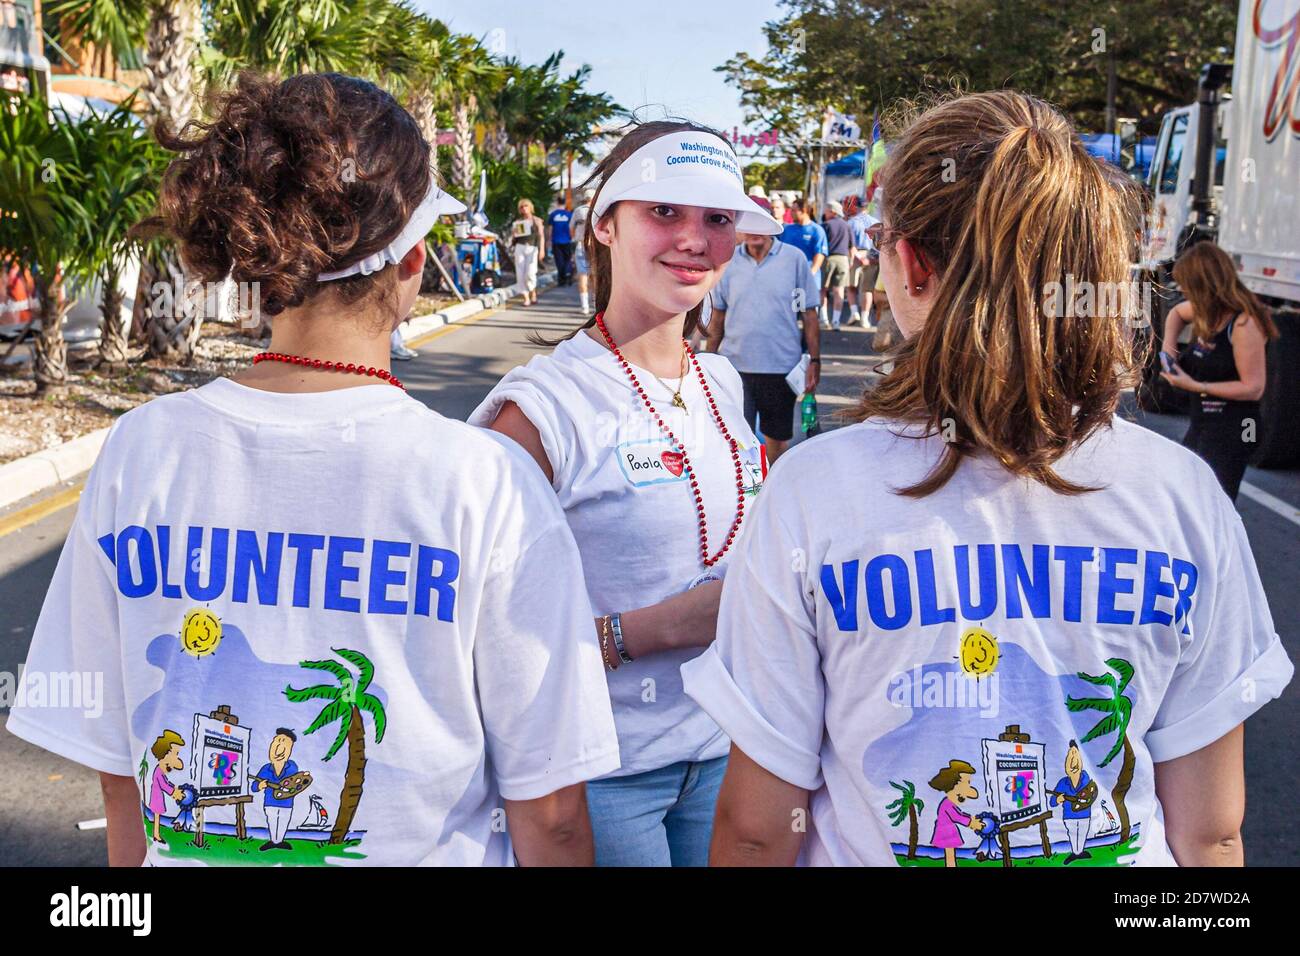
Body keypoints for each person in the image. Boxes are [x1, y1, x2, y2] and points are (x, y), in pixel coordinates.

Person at [5, 72, 620, 867]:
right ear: (412, 265)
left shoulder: (141, 450)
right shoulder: (487, 483)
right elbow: (553, 812)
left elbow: (121, 772)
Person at [683, 90, 1293, 867]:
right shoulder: (1184, 494)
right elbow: (1210, 835)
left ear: (909, 261)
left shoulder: (809, 492)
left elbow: (757, 829)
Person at [470, 121, 781, 867]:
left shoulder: (722, 383)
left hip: (724, 756)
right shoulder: (542, 407)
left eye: (716, 218)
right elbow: (481, 628)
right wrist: (643, 632)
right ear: (606, 224)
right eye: (664, 212)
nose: (694, 239)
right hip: (602, 776)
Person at [1160, 241, 1279, 501]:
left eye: (1188, 287)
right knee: (1187, 494)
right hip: (1204, 423)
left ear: (1205, 285)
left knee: (1215, 503)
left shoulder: (1244, 323)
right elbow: (1176, 314)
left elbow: (1254, 388)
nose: (1183, 292)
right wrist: (1168, 353)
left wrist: (1198, 386)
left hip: (1238, 427)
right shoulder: (1209, 310)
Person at [705, 229, 820, 463]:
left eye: (762, 225)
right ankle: (745, 496)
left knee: (776, 440)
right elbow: (718, 317)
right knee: (734, 438)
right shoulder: (728, 261)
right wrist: (707, 363)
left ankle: (772, 493)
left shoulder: (793, 258)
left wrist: (815, 361)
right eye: (750, 225)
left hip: (780, 367)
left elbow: (809, 313)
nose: (756, 232)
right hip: (734, 367)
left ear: (773, 227)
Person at [819, 199, 854, 329]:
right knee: (839, 291)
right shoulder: (847, 225)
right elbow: (852, 247)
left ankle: (824, 320)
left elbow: (821, 245)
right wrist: (850, 261)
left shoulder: (825, 225)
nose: (824, 213)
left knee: (822, 290)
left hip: (828, 259)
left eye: (826, 210)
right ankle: (836, 322)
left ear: (832, 212)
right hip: (843, 260)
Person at [780, 197, 827, 287]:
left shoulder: (816, 230)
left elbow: (820, 254)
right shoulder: (787, 229)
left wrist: (811, 273)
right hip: (789, 278)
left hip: (809, 279)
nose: (791, 213)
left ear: (804, 210)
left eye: (794, 210)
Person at [847, 204, 880, 327]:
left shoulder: (851, 222)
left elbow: (849, 244)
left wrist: (856, 257)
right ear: (867, 208)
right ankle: (865, 318)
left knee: (851, 287)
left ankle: (854, 313)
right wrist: (872, 258)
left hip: (855, 255)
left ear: (856, 208)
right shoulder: (876, 222)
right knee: (867, 289)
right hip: (871, 256)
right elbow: (879, 243)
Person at [508, 197, 546, 306]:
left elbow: (541, 236)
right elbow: (513, 239)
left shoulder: (537, 220)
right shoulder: (518, 222)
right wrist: (514, 234)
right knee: (520, 273)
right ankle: (526, 297)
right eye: (521, 207)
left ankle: (533, 293)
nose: (524, 208)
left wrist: (542, 250)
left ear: (530, 207)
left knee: (530, 273)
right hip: (520, 247)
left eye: (526, 206)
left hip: (532, 248)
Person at [570, 187, 595, 315]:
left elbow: (571, 228)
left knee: (582, 275)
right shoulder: (596, 211)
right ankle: (596, 304)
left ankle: (584, 306)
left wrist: (576, 237)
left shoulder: (578, 211)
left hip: (580, 245)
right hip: (595, 246)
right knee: (595, 275)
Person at [547, 194, 575, 287]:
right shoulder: (569, 214)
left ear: (557, 202)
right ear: (564, 203)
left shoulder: (553, 214)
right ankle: (568, 275)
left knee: (559, 260)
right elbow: (572, 228)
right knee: (567, 259)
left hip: (556, 241)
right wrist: (572, 237)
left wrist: (549, 240)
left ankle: (561, 279)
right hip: (567, 240)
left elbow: (550, 229)